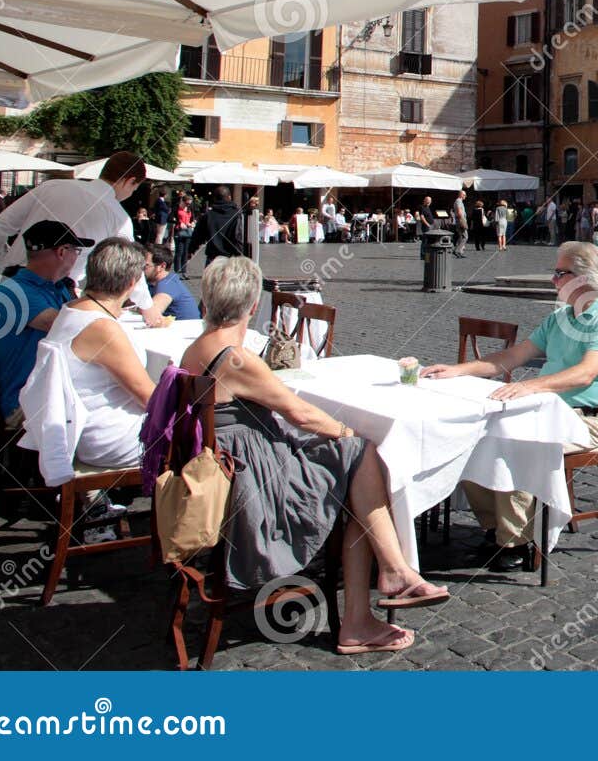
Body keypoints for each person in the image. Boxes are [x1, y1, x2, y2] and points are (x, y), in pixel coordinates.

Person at [181, 256, 449, 652]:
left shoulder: (197, 349)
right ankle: (385, 581)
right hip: (250, 482)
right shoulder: (237, 359)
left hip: (224, 466)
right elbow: (300, 412)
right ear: (254, 306)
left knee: (356, 464)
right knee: (361, 457)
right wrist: (344, 431)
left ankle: (383, 586)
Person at [423, 242, 598, 571]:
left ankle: (516, 541)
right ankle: (495, 527)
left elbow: (586, 372)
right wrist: (457, 369)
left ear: (585, 279)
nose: (553, 280)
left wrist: (529, 386)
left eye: (560, 274)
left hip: (584, 421)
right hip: (544, 410)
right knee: (473, 435)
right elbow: (512, 356)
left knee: (514, 442)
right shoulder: (559, 318)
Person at [0, 152, 152, 315]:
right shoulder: (118, 217)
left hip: (14, 279)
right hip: (55, 291)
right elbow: (129, 265)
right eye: (133, 189)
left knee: (2, 342)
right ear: (130, 181)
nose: (130, 194)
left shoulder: (51, 187)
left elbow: (2, 225)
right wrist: (147, 307)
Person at [32, 238, 156, 469]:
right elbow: (149, 397)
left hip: (81, 427)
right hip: (110, 438)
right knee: (212, 427)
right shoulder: (102, 328)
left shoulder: (71, 309)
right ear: (131, 283)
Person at [0, 221, 83, 418]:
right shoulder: (15, 291)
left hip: (53, 393)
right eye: (76, 250)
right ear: (62, 251)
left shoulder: (58, 286)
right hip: (26, 404)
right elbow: (65, 327)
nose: (76, 257)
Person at [191, 186, 247, 266]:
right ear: (229, 197)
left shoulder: (208, 215)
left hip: (213, 259)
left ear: (215, 199)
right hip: (231, 258)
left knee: (212, 278)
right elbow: (240, 237)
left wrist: (191, 250)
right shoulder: (238, 215)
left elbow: (197, 236)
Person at [143, 245, 201, 321]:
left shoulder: (167, 284)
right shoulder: (153, 283)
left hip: (186, 331)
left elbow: (152, 312)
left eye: (145, 265)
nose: (141, 268)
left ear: (161, 266)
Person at [173, 192, 197, 276]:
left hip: (188, 231)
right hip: (179, 231)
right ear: (183, 201)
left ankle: (184, 271)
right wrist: (179, 223)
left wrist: (193, 222)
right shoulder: (177, 207)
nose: (188, 205)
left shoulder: (190, 208)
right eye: (187, 203)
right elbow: (170, 218)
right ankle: (177, 270)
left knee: (186, 252)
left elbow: (193, 217)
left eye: (190, 203)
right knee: (179, 251)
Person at [452, 188, 469, 258]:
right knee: (465, 236)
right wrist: (462, 220)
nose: (465, 196)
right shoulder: (458, 201)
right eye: (464, 195)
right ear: (461, 195)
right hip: (460, 220)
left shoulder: (459, 201)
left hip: (460, 220)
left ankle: (459, 252)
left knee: (461, 236)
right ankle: (457, 250)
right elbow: (459, 211)